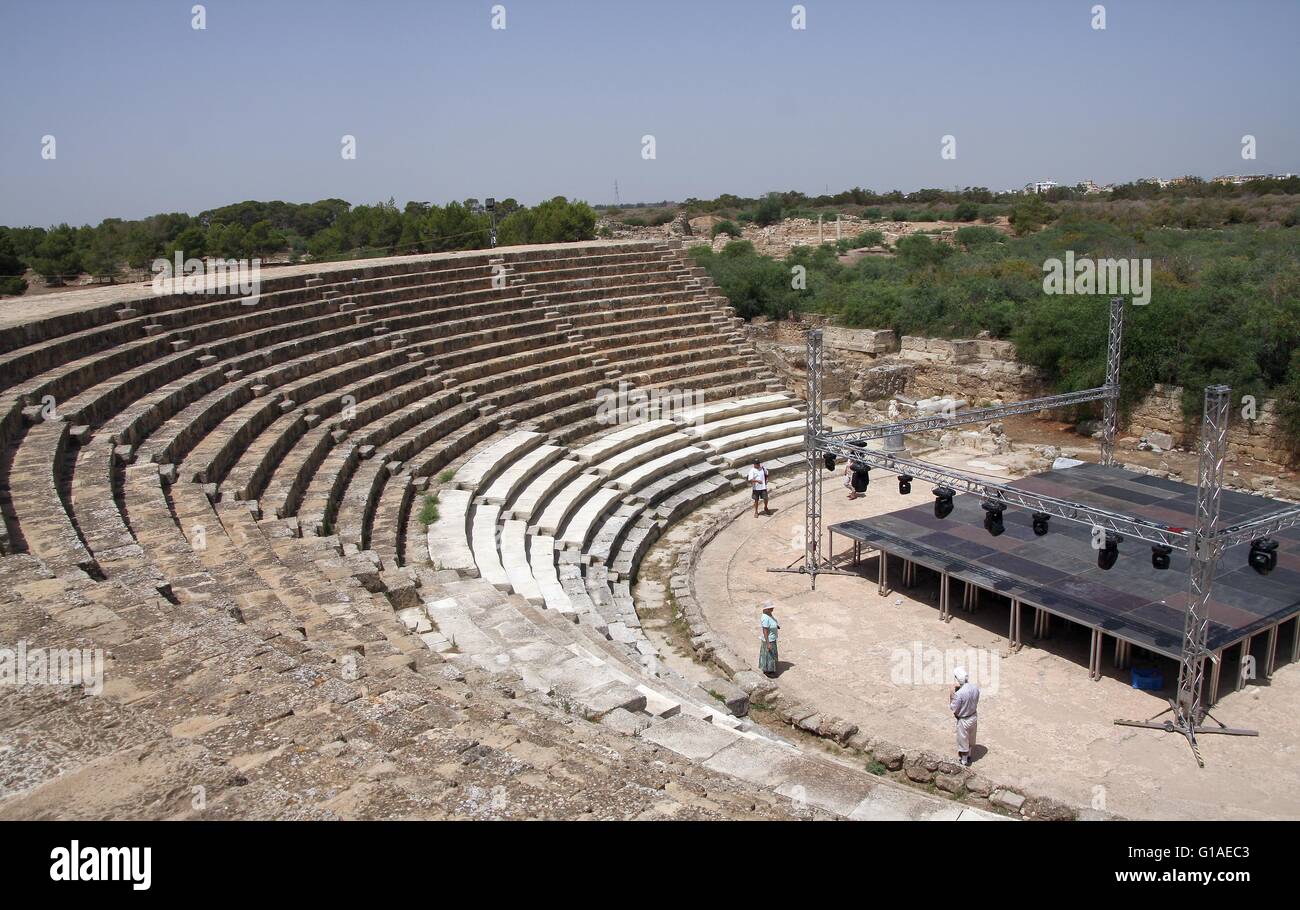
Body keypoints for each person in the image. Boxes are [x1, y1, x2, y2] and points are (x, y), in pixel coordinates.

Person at [949, 667, 980, 767]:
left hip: (963, 719)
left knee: (963, 740)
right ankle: (970, 755)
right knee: (971, 737)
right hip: (973, 716)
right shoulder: (975, 688)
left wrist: (951, 695)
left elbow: (954, 708)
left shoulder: (959, 694)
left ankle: (964, 761)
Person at [759, 602, 780, 676]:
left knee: (771, 655)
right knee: (769, 655)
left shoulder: (769, 614)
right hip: (769, 639)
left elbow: (772, 622)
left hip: (772, 638)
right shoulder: (765, 618)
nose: (773, 608)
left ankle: (770, 669)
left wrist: (776, 626)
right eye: (771, 607)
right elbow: (765, 631)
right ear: (767, 609)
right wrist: (768, 643)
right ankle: (768, 671)